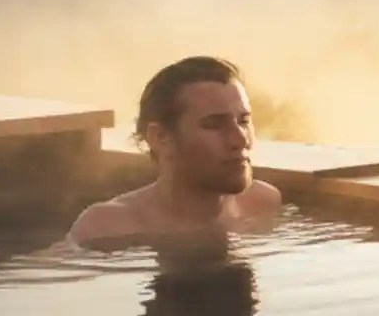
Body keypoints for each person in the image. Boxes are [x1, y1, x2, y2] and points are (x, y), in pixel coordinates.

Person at [68, 56, 282, 250]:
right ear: (160, 138)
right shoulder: (108, 227)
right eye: (214, 125)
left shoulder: (262, 203)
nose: (240, 139)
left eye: (243, 121)